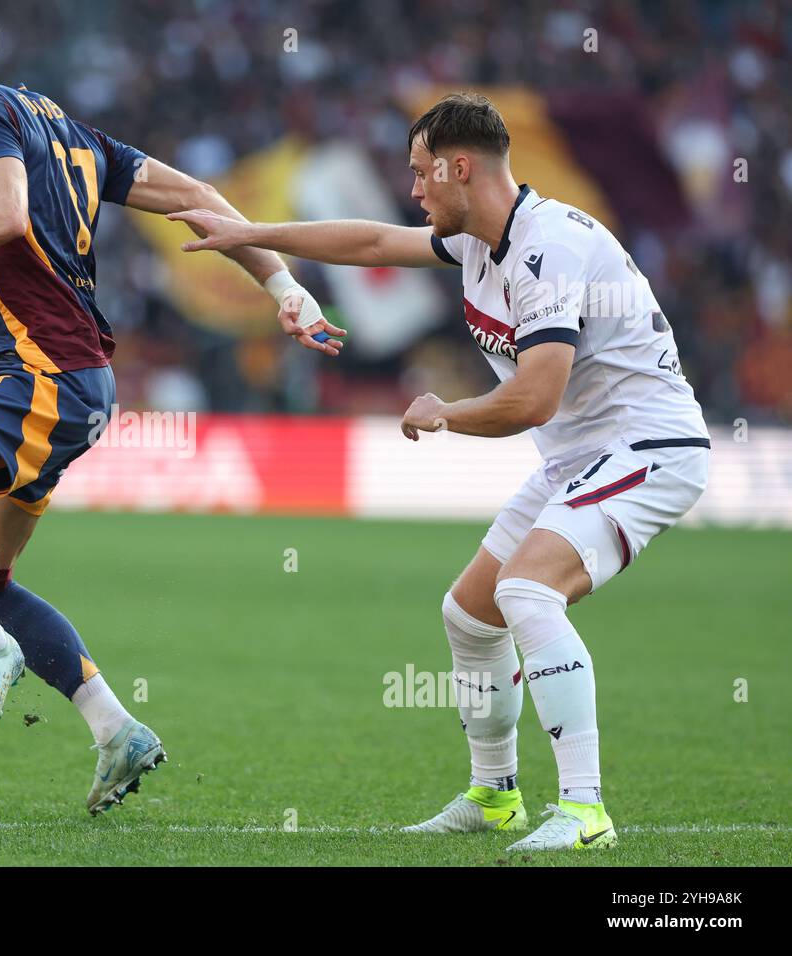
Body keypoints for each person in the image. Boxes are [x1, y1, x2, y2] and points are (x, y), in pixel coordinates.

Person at [0, 19, 343, 815]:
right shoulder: (65, 128)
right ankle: (114, 728)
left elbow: (3, 217)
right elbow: (196, 198)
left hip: (41, 376)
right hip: (80, 384)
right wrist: (284, 290)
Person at [169, 92, 710, 851]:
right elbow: (367, 243)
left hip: (648, 449)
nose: (414, 189)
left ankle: (585, 812)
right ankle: (494, 798)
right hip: (579, 456)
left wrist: (445, 411)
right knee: (470, 613)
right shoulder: (478, 239)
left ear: (461, 167)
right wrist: (250, 235)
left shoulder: (546, 248)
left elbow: (534, 396)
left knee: (526, 591)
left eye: (422, 172)